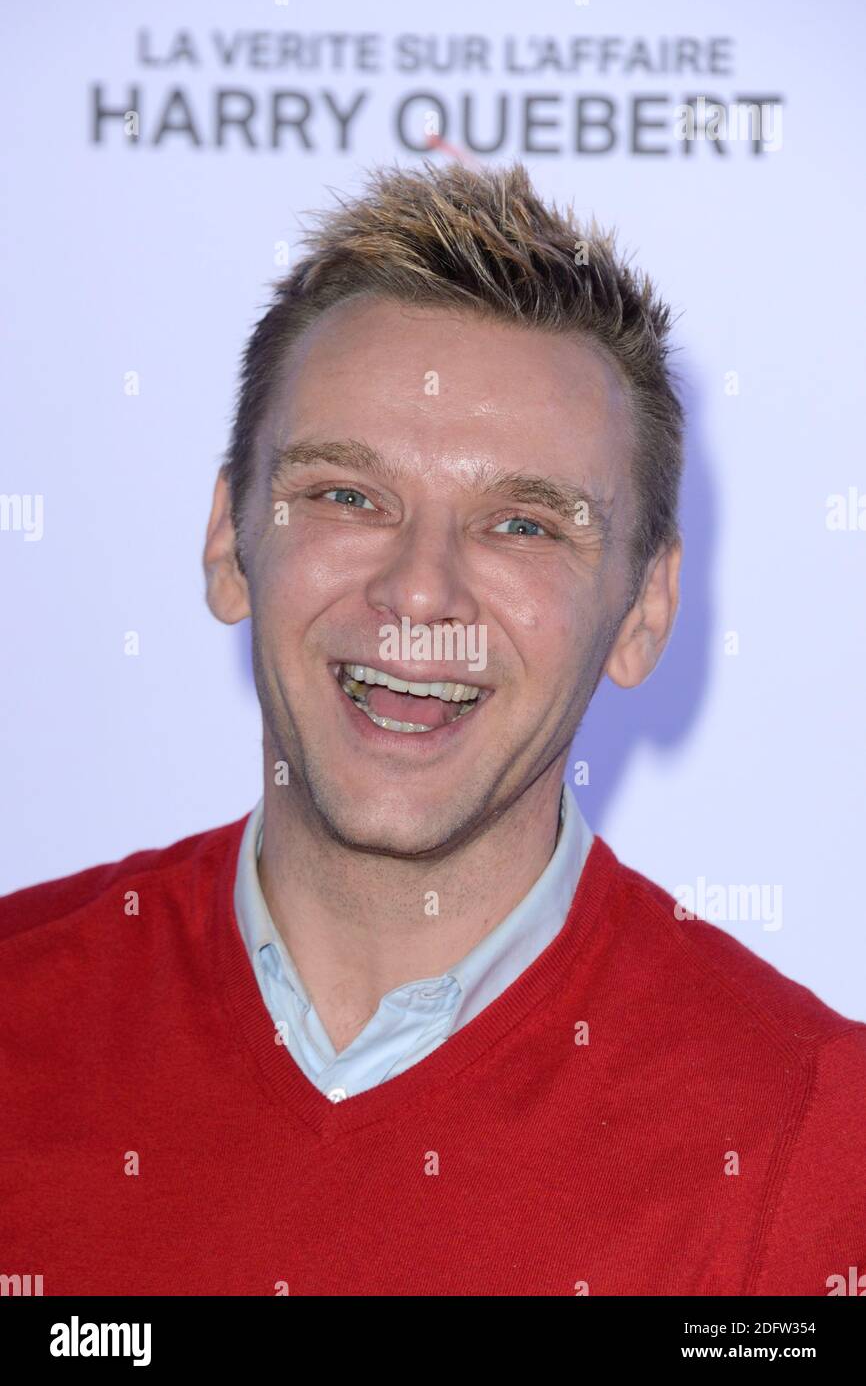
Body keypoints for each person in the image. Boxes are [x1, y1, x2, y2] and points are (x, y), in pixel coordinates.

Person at [2, 161, 864, 1298]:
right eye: (345, 497)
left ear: (642, 610)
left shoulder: (811, 1132)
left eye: (520, 523)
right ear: (227, 541)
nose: (419, 592)